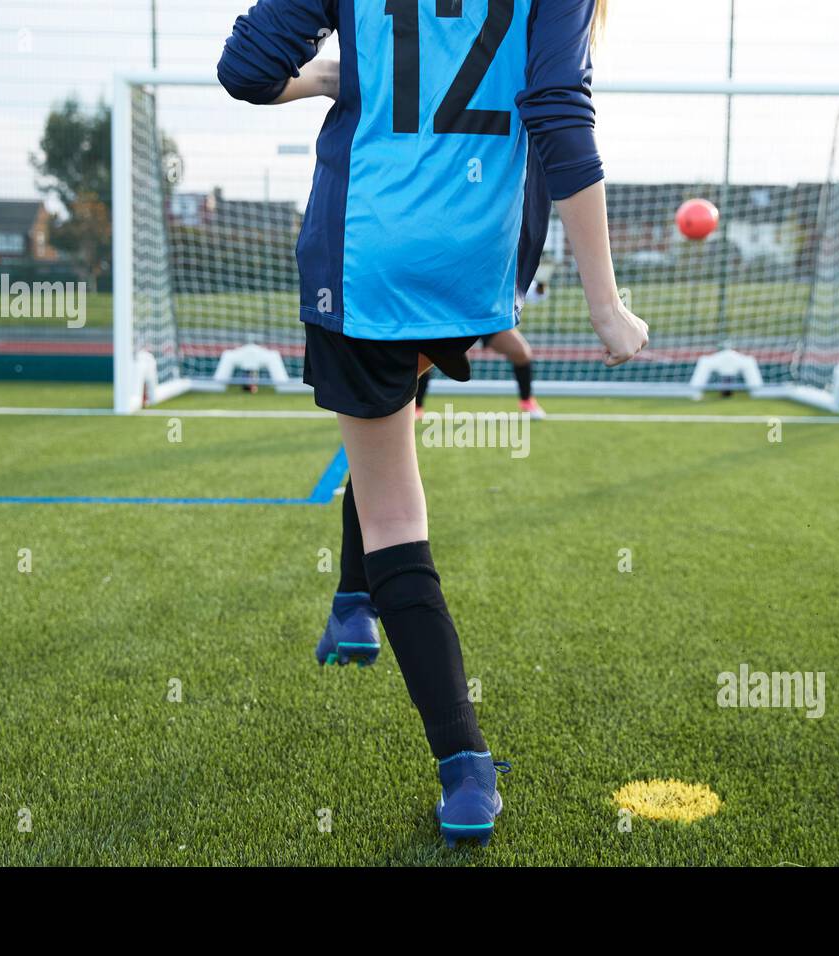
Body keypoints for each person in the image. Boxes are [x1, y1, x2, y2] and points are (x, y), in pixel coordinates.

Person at [218, 0, 646, 847]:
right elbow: (558, 107)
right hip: (471, 266)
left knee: (390, 505)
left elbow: (246, 72)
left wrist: (323, 77)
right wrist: (605, 301)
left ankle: (465, 767)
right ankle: (351, 604)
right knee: (390, 425)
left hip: (364, 253)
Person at [415, 327, 546, 421]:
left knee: (521, 353)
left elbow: (535, 293)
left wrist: (539, 289)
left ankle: (527, 402)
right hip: (451, 312)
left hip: (484, 313)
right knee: (424, 359)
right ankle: (416, 407)